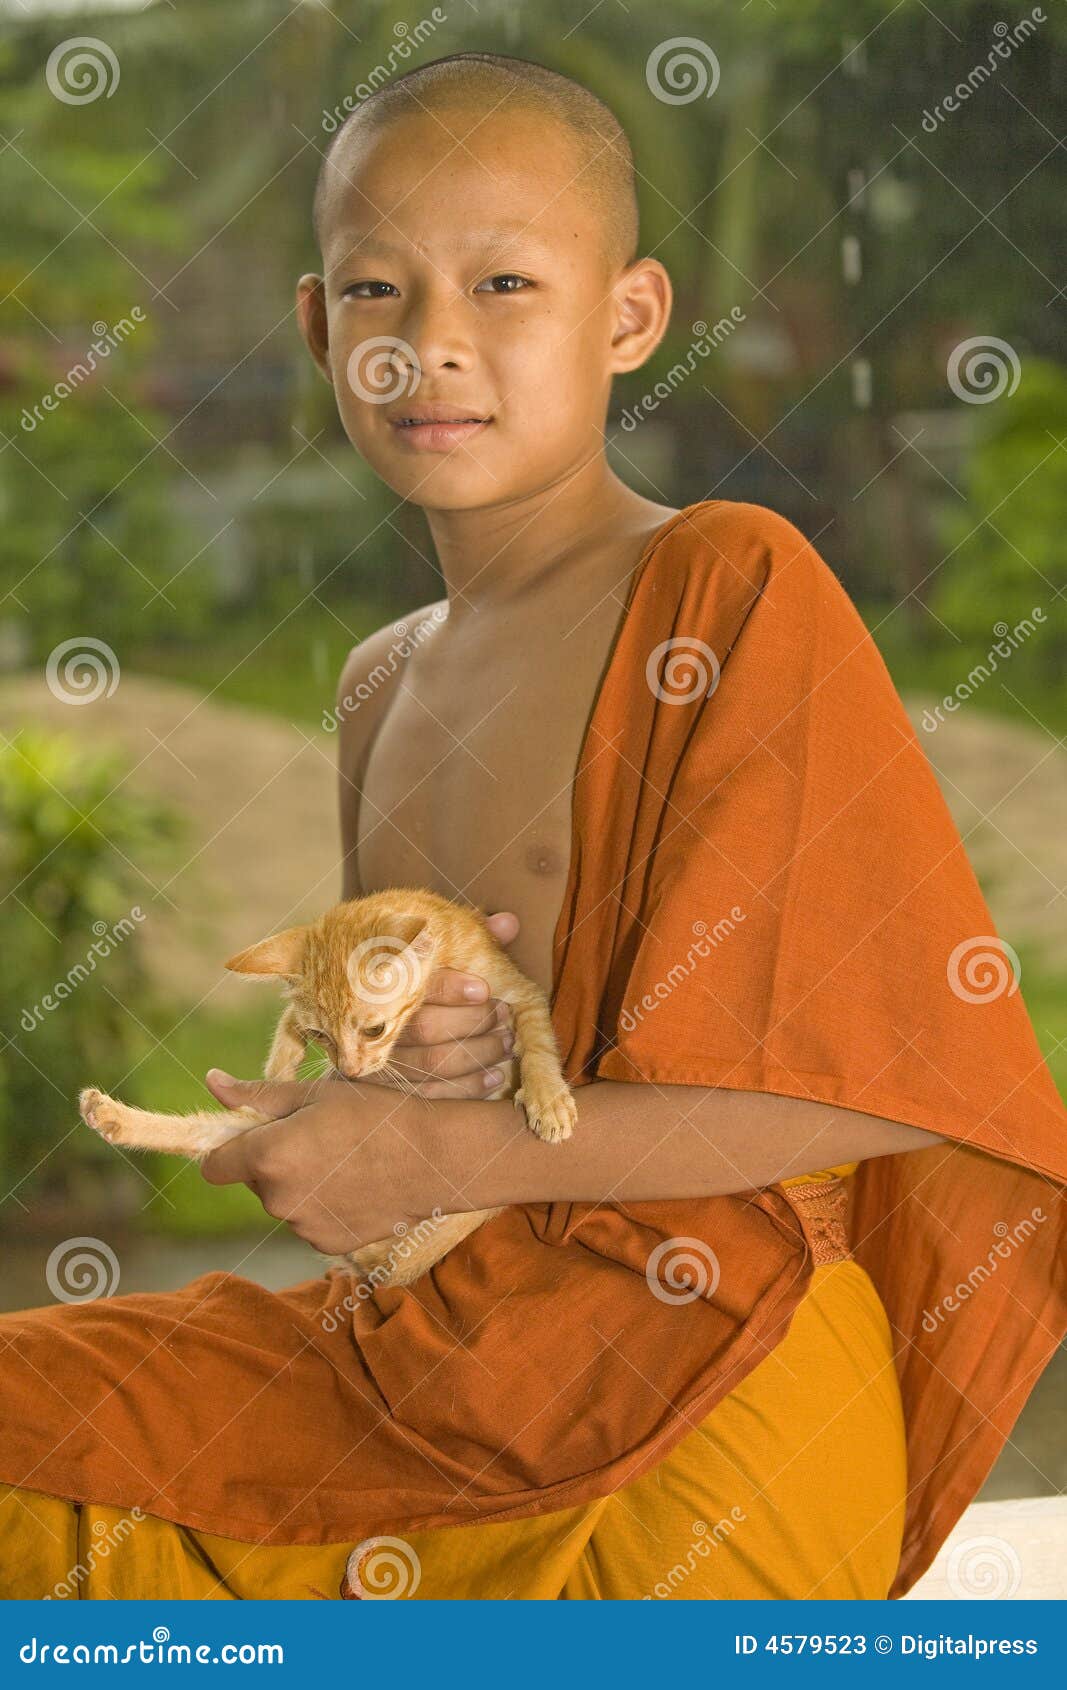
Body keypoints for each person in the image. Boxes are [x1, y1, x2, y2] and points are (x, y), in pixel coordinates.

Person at [1, 51, 1064, 1602]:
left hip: (711, 1370)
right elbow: (460, 1056)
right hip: (449, 1354)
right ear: (317, 329)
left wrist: (438, 1143)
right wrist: (372, 1114)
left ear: (628, 317)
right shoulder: (376, 687)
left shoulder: (721, 585)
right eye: (376, 292)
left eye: (504, 282)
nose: (433, 345)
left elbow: (880, 1087)